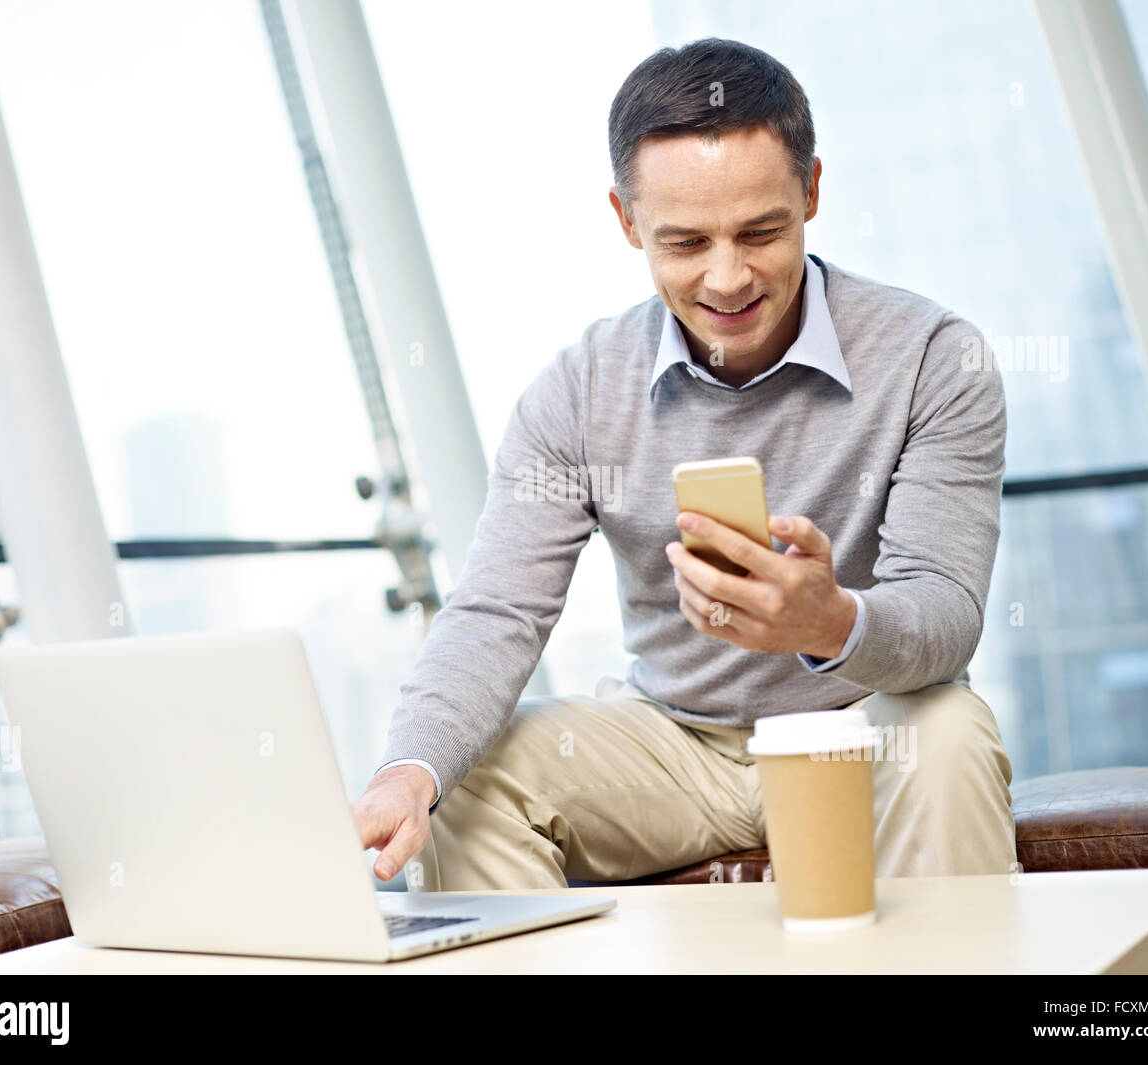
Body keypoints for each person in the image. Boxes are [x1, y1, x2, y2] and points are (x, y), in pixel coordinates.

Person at [353, 37, 1017, 890]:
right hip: (675, 747)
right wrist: (409, 765)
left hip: (864, 729)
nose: (729, 277)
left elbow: (946, 613)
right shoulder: (577, 391)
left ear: (812, 192)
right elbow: (495, 611)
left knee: (951, 730)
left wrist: (830, 621)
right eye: (686, 242)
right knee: (466, 776)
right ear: (627, 221)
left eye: (760, 231)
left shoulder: (933, 357)